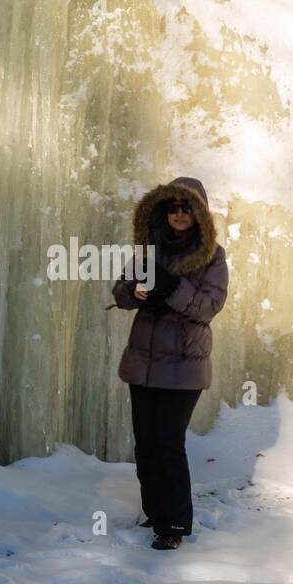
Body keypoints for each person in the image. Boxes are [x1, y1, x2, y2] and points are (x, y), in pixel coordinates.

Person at [112, 177, 229, 550]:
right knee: (146, 443)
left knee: (168, 443)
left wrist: (172, 288)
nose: (179, 214)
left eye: (187, 208)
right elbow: (121, 291)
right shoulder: (150, 250)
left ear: (199, 215)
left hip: (183, 366)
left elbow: (209, 307)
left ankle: (174, 524)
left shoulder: (214, 257)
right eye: (172, 207)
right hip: (143, 361)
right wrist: (136, 291)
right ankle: (156, 512)